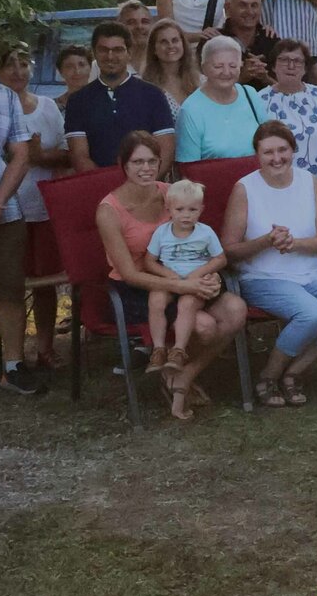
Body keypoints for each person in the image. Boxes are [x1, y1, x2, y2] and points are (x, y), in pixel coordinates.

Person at [96, 131, 248, 419]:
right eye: (137, 161)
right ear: (123, 165)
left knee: (236, 309)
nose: (146, 168)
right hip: (140, 288)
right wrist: (183, 284)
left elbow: (200, 241)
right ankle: (172, 368)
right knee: (204, 326)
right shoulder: (109, 211)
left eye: (152, 161)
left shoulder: (174, 194)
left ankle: (183, 375)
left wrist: (206, 276)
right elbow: (129, 274)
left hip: (186, 277)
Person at [222, 121, 317, 408]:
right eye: (268, 152)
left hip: (311, 270)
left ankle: (293, 372)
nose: (276, 158)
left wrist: (293, 243)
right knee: (311, 314)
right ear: (257, 155)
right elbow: (229, 251)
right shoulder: (244, 188)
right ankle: (268, 376)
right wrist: (266, 241)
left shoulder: (308, 180)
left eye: (283, 150)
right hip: (263, 276)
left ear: (293, 150)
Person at [0, 43, 70, 373]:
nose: (18, 71)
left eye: (24, 64)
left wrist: (38, 157)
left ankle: (46, 348)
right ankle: (13, 355)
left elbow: (67, 154)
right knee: (9, 284)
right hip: (4, 209)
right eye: (10, 65)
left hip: (43, 208)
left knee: (46, 282)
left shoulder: (48, 106)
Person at [66, 19, 174, 175]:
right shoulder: (78, 101)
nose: (110, 56)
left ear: (129, 53)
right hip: (100, 189)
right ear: (94, 53)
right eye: (103, 50)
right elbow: (79, 156)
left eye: (118, 50)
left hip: (146, 188)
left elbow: (165, 150)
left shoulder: (153, 95)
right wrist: (111, 192)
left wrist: (142, 185)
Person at [144, 179, 226, 378]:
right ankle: (159, 349)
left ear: (201, 209)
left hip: (195, 283)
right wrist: (168, 276)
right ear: (169, 208)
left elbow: (221, 259)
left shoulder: (205, 233)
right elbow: (149, 262)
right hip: (171, 281)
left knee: (188, 304)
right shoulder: (161, 233)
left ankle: (178, 351)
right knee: (155, 299)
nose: (186, 215)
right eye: (180, 209)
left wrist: (197, 274)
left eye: (192, 210)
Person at [261, 40, 317, 206]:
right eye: (284, 60)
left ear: (305, 68)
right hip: (279, 191)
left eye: (297, 61)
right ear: (273, 66)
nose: (291, 66)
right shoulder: (260, 100)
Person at [173, 36, 268, 165]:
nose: (226, 72)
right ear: (204, 68)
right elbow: (188, 168)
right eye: (218, 66)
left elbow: (269, 141)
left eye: (233, 66)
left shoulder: (250, 94)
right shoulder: (191, 110)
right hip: (214, 182)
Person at [218, 0, 279, 89]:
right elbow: (206, 92)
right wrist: (241, 78)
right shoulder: (214, 42)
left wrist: (265, 78)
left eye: (254, 6)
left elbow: (289, 91)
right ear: (227, 8)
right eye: (243, 5)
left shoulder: (272, 41)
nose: (249, 11)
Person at [143, 18, 202, 121]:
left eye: (175, 40)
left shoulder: (201, 81)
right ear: (154, 49)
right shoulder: (145, 86)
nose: (170, 46)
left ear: (183, 44)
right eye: (163, 42)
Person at [116, 0, 155, 71]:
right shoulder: (108, 63)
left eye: (145, 21)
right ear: (119, 27)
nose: (139, 26)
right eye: (131, 22)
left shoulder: (163, 62)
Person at [53, 44, 92, 112]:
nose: (77, 71)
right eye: (69, 66)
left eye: (82, 65)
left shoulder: (106, 104)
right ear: (60, 72)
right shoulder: (52, 108)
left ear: (90, 68)